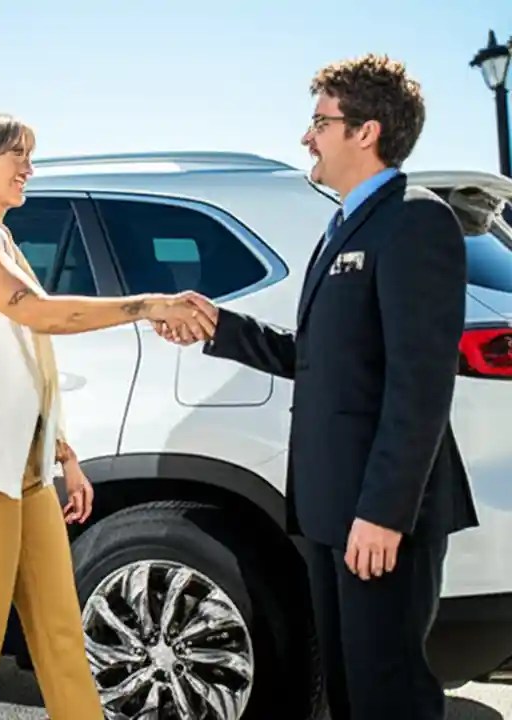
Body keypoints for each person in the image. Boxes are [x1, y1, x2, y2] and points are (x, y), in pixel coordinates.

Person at [156, 54, 478, 720]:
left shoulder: (415, 221)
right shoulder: (342, 226)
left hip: (378, 513)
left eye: (321, 122)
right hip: (333, 507)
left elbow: (419, 384)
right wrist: (221, 327)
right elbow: (326, 362)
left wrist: (385, 512)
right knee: (349, 690)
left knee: (388, 694)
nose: (308, 137)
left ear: (366, 132)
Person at [0, 109, 212, 720]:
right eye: (18, 155)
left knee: (58, 628)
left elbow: (29, 357)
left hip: (23, 467)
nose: (29, 167)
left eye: (30, 154)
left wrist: (64, 452)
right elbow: (39, 314)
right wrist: (148, 304)